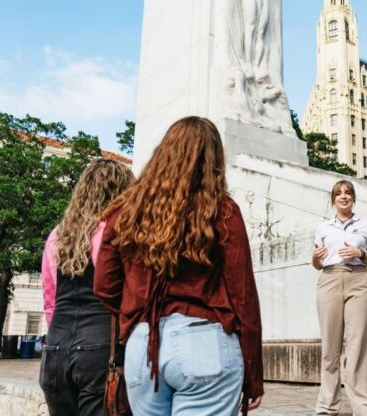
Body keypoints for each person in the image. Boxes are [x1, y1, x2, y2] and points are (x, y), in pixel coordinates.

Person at [93, 116, 264, 416]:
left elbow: (104, 287)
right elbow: (243, 298)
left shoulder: (125, 212)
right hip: (206, 341)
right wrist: (253, 371)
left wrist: (136, 313)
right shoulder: (223, 212)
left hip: (144, 346)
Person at [39, 158, 134, 416]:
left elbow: (50, 300)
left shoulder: (57, 235)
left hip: (56, 349)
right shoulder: (115, 233)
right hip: (100, 349)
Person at [312, 180, 367, 416]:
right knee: (329, 346)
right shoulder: (323, 227)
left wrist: (359, 253)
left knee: (358, 345)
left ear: (353, 198)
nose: (344, 196)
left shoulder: (366, 225)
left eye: (348, 193)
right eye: (339, 193)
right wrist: (316, 257)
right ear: (333, 199)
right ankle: (327, 406)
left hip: (358, 279)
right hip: (329, 278)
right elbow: (316, 263)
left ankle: (363, 407)